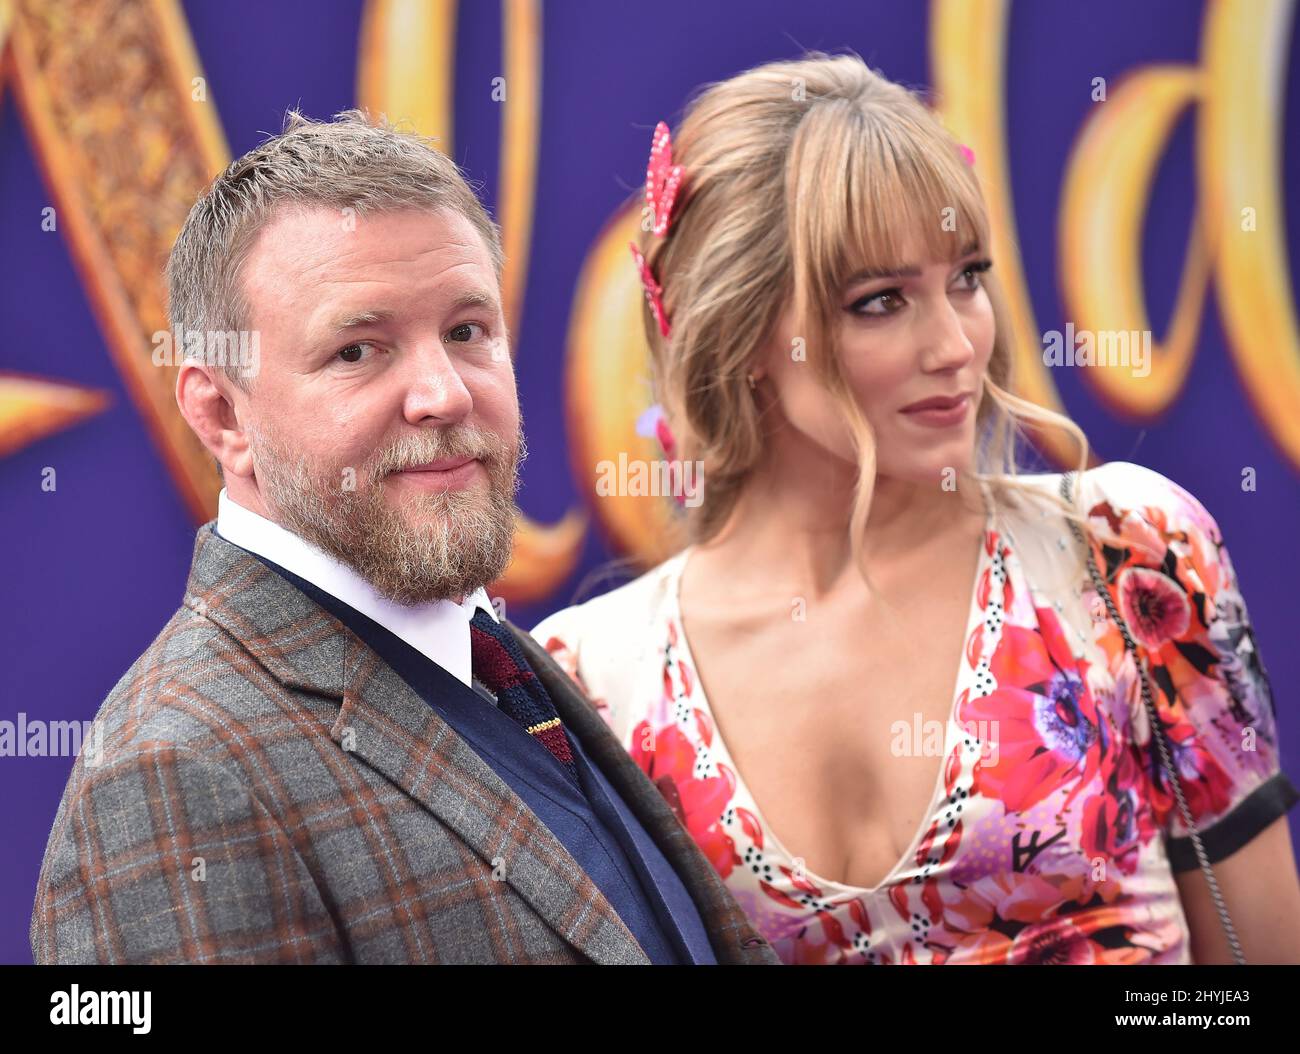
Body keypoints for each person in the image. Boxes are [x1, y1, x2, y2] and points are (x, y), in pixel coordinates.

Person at [531, 52, 1300, 964]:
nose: (955, 344)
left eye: (966, 277)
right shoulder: (589, 683)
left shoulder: (1129, 551)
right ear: (740, 330)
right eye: (882, 300)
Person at [29, 110, 778, 965]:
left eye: (466, 333)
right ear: (221, 415)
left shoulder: (492, 658)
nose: (444, 394)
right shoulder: (172, 770)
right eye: (358, 351)